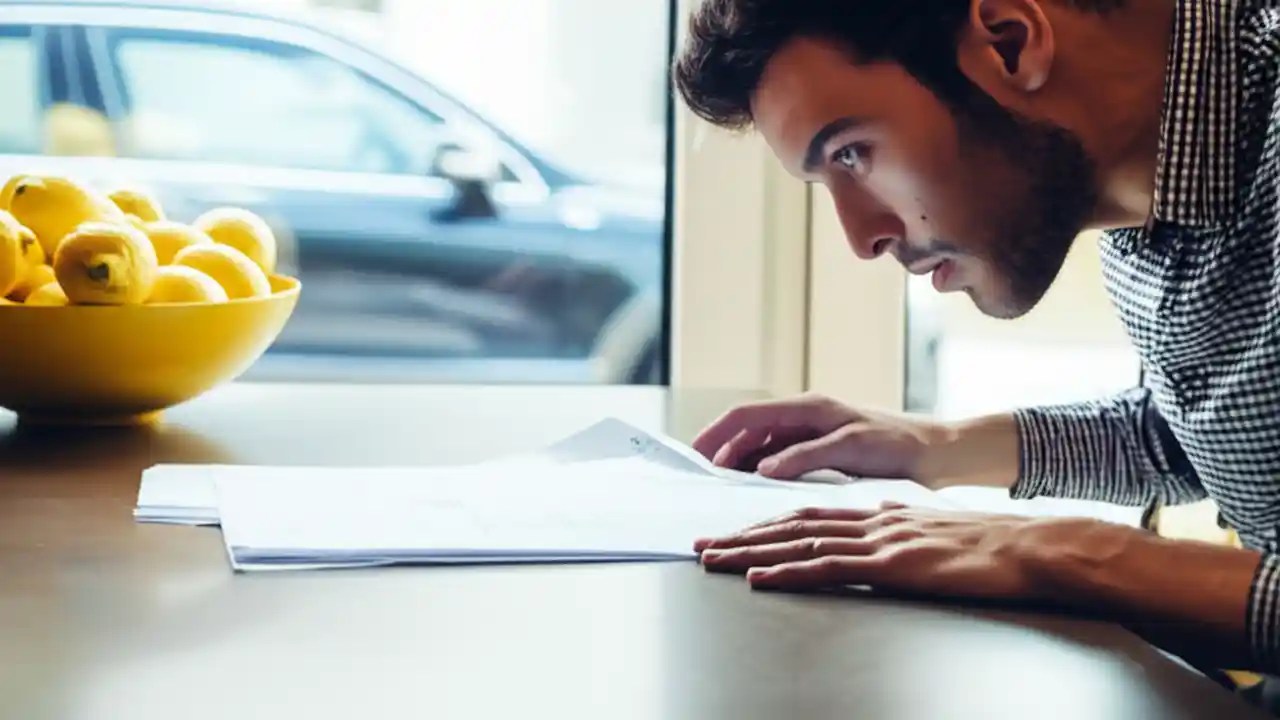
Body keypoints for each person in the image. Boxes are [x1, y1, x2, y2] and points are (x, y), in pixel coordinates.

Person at [674, 0, 1280, 698]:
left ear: (1009, 43)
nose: (861, 237)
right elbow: (1215, 435)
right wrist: (936, 447)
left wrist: (1073, 557)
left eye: (852, 154)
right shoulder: (1135, 188)